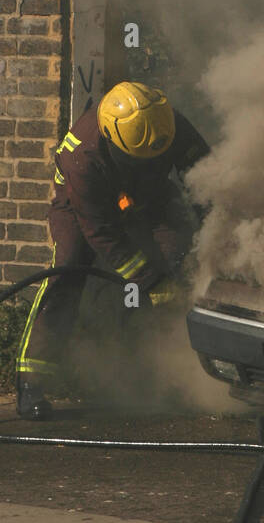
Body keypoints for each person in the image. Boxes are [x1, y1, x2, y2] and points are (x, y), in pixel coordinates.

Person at [15, 81, 209, 420]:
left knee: (176, 252)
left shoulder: (164, 123)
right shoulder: (82, 157)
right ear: (112, 140)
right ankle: (31, 381)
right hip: (82, 206)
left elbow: (206, 173)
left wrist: (217, 222)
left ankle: (168, 372)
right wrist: (150, 280)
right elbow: (100, 231)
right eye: (139, 157)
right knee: (69, 269)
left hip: (147, 193)